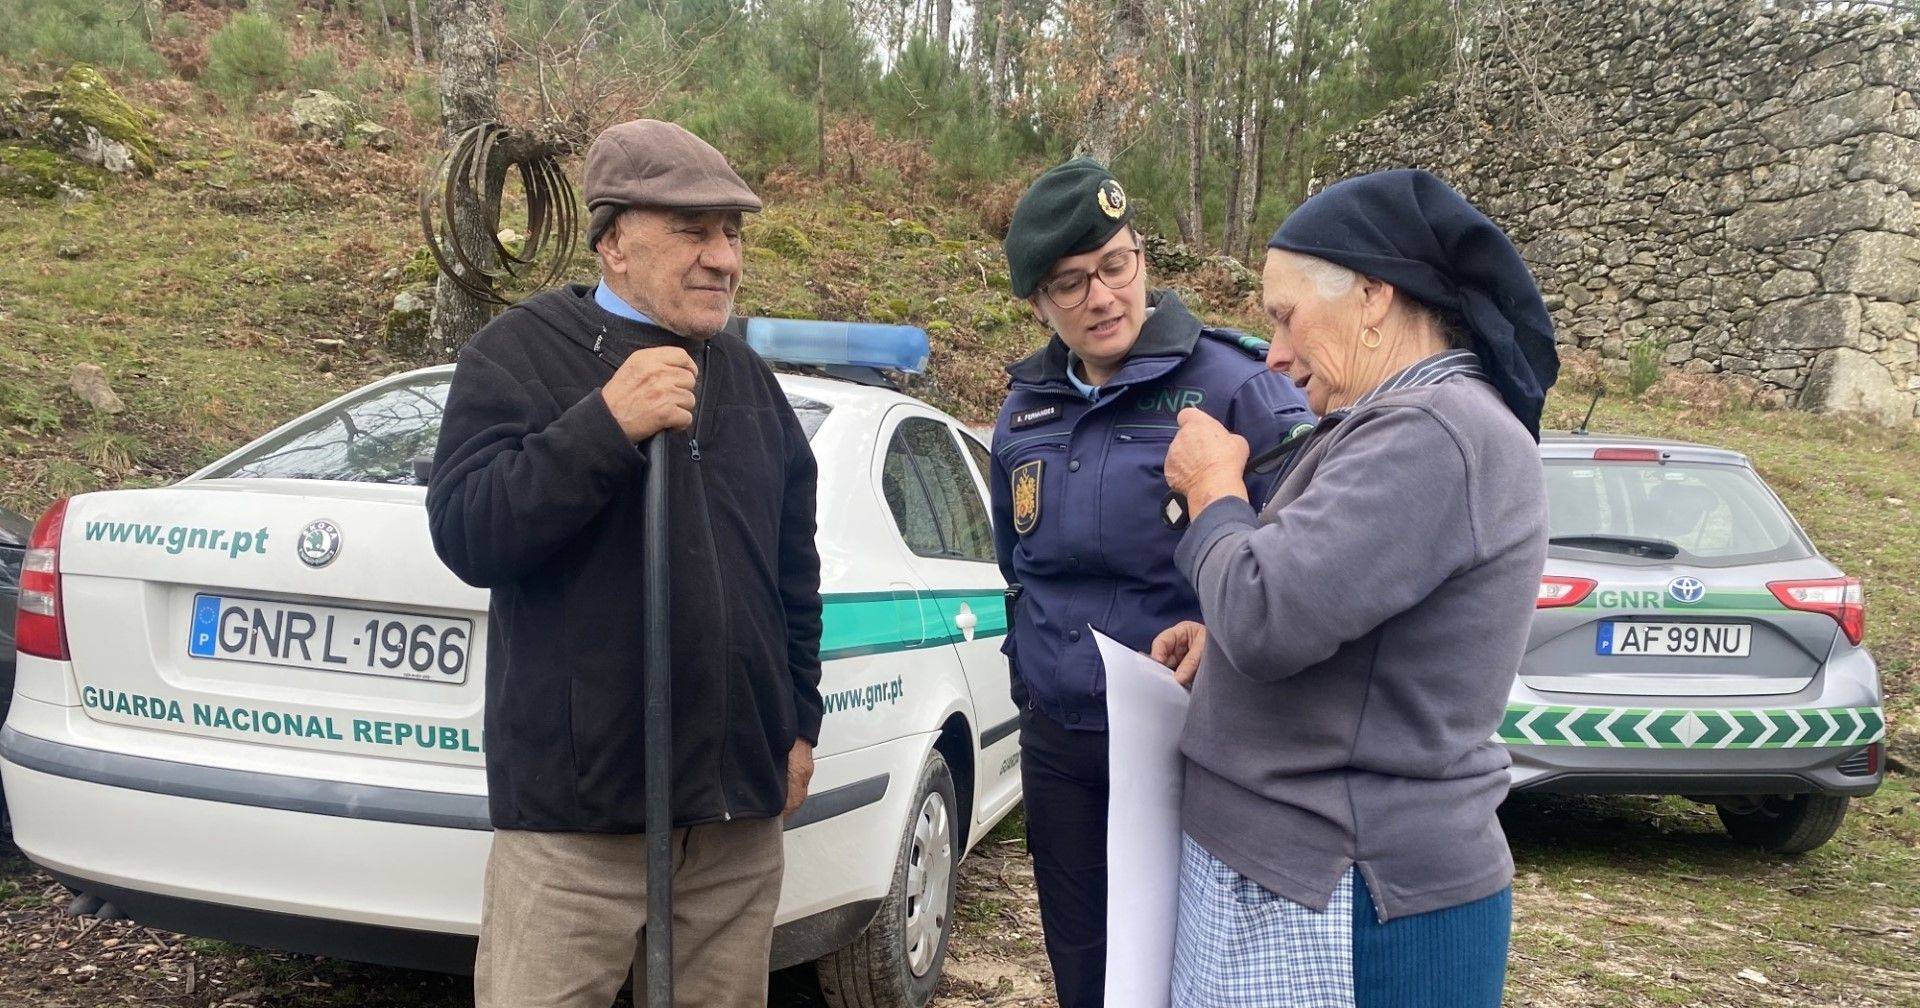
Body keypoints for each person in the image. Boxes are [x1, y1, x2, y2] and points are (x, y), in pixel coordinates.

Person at [424, 119, 824, 1008]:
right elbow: (466, 531)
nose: (723, 257)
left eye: (733, 233)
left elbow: (792, 576)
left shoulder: (753, 387)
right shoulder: (518, 355)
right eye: (693, 231)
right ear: (612, 243)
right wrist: (602, 426)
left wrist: (799, 728)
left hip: (732, 832)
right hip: (576, 831)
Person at [1154, 168, 1558, 1007]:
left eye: (1285, 315)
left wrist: (1212, 491)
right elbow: (1331, 616)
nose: (1275, 352)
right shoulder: (1402, 424)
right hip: (1312, 880)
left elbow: (1267, 614)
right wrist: (1217, 642)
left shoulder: (1433, 433)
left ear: (1374, 296)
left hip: (1346, 896)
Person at [988, 157, 1313, 1008]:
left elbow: (1298, 562)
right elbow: (1014, 567)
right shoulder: (1023, 410)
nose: (1101, 297)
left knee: (1187, 972)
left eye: (1115, 266)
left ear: (1142, 261)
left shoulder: (1237, 387)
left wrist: (1220, 635)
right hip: (1059, 744)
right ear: (1039, 304)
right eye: (1069, 283)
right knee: (1085, 968)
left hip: (1187, 749)